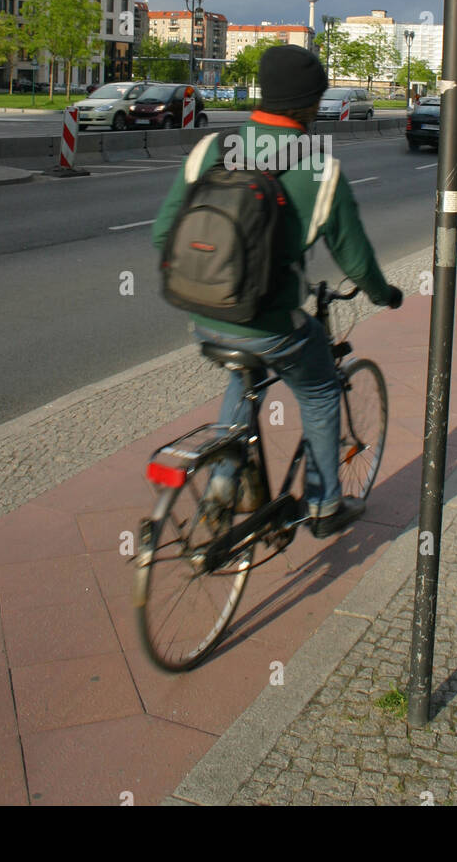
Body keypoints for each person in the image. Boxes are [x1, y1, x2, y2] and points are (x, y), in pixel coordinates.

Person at [152, 44, 403, 539]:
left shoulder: (213, 147)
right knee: (320, 388)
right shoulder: (319, 167)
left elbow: (163, 233)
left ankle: (222, 492)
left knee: (241, 378)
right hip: (270, 325)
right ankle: (326, 502)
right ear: (311, 105)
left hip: (202, 316)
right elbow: (356, 260)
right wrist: (384, 295)